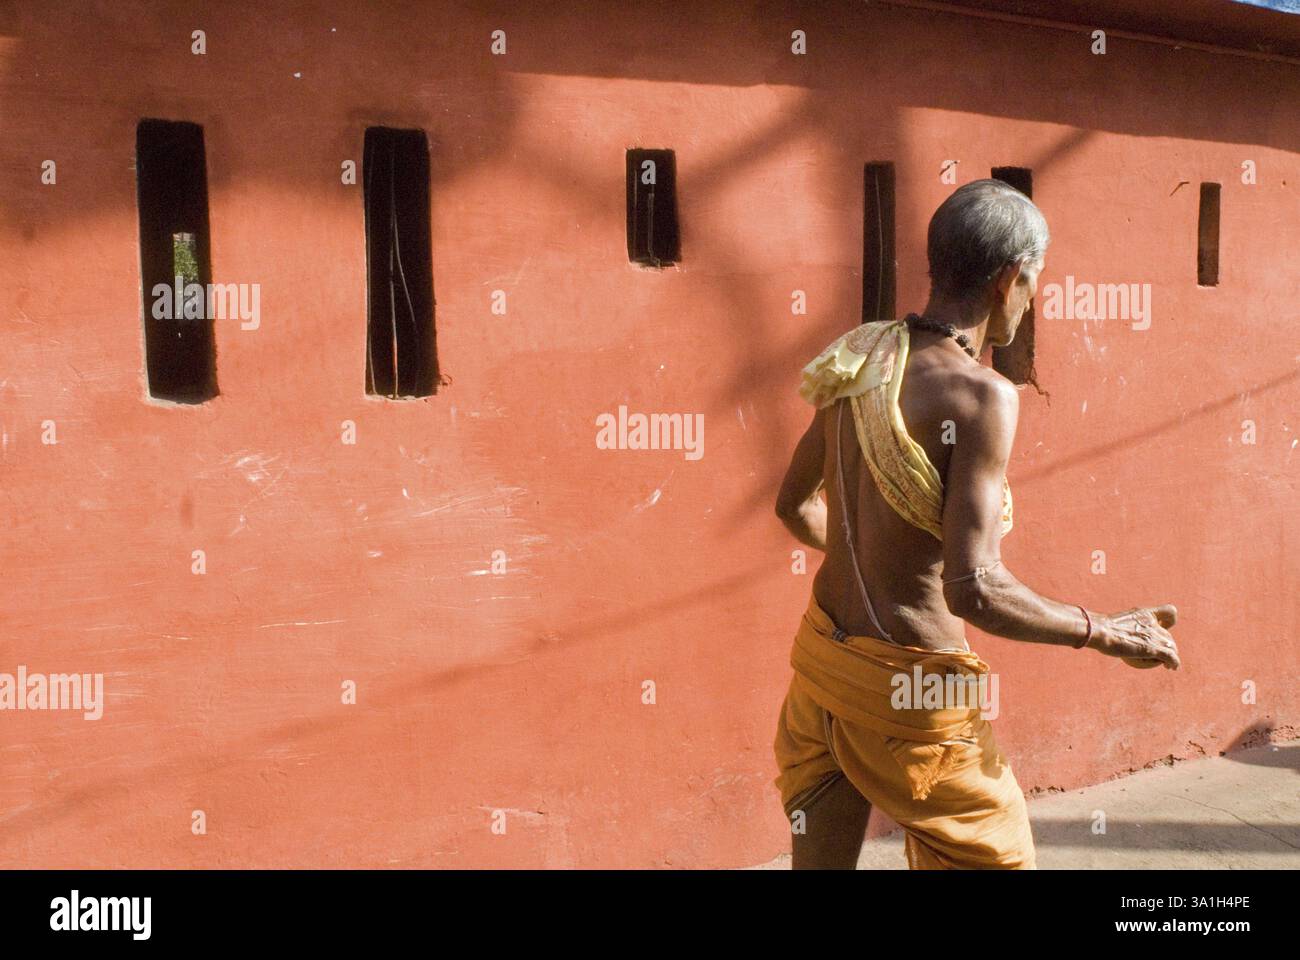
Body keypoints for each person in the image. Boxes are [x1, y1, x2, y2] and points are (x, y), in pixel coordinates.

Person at [772, 179, 1180, 870]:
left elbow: (795, 506)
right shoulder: (981, 394)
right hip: (917, 698)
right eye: (1034, 284)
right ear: (1011, 280)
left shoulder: (862, 355)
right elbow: (975, 588)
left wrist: (869, 557)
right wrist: (1107, 630)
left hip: (823, 670)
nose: (1030, 299)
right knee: (999, 856)